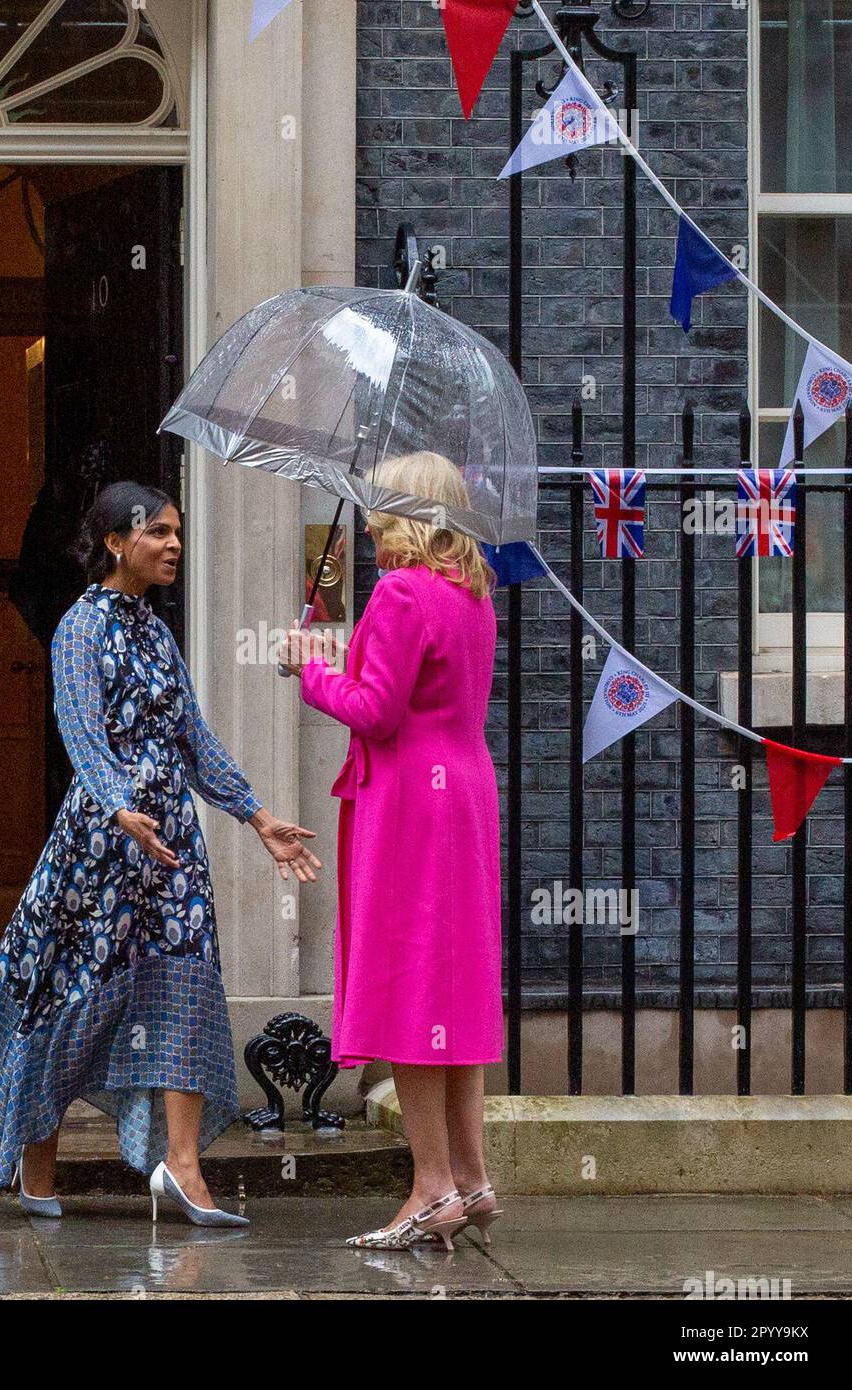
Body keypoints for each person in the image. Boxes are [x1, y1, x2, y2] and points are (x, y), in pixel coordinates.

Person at [0, 481, 321, 1227]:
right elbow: (78, 728)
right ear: (116, 542)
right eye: (160, 532)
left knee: (184, 984)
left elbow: (194, 739)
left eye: (180, 532)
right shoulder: (78, 628)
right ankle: (38, 1161)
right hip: (98, 844)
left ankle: (181, 1170)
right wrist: (119, 807)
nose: (175, 544)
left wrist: (256, 814)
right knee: (69, 996)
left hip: (171, 842)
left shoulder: (155, 631)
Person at [279, 451, 504, 1251]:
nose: (369, 524)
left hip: (412, 802)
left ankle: (431, 1188)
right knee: (453, 988)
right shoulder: (471, 596)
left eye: (379, 509)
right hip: (465, 794)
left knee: (413, 991)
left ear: (405, 513)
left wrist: (309, 670)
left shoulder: (402, 593)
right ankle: (472, 1179)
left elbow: (374, 711)